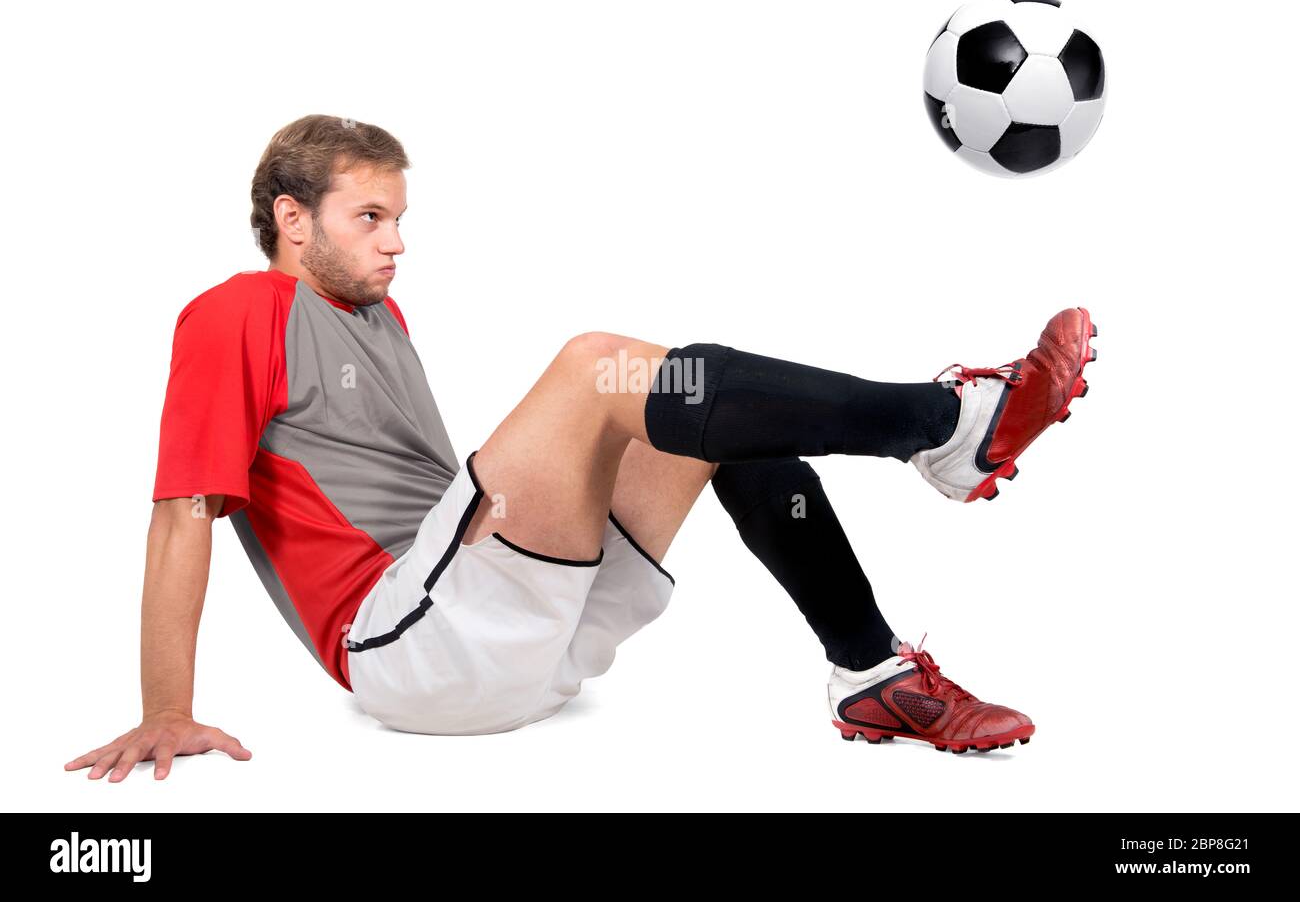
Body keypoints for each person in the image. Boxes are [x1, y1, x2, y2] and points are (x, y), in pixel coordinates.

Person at [65, 115, 1098, 781]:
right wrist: (167, 709)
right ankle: (942, 426)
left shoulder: (380, 321)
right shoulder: (236, 312)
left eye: (400, 217)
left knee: (699, 405)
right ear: (293, 220)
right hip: (413, 649)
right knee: (595, 364)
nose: (396, 241)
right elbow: (180, 511)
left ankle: (869, 671)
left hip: (520, 628)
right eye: (369, 216)